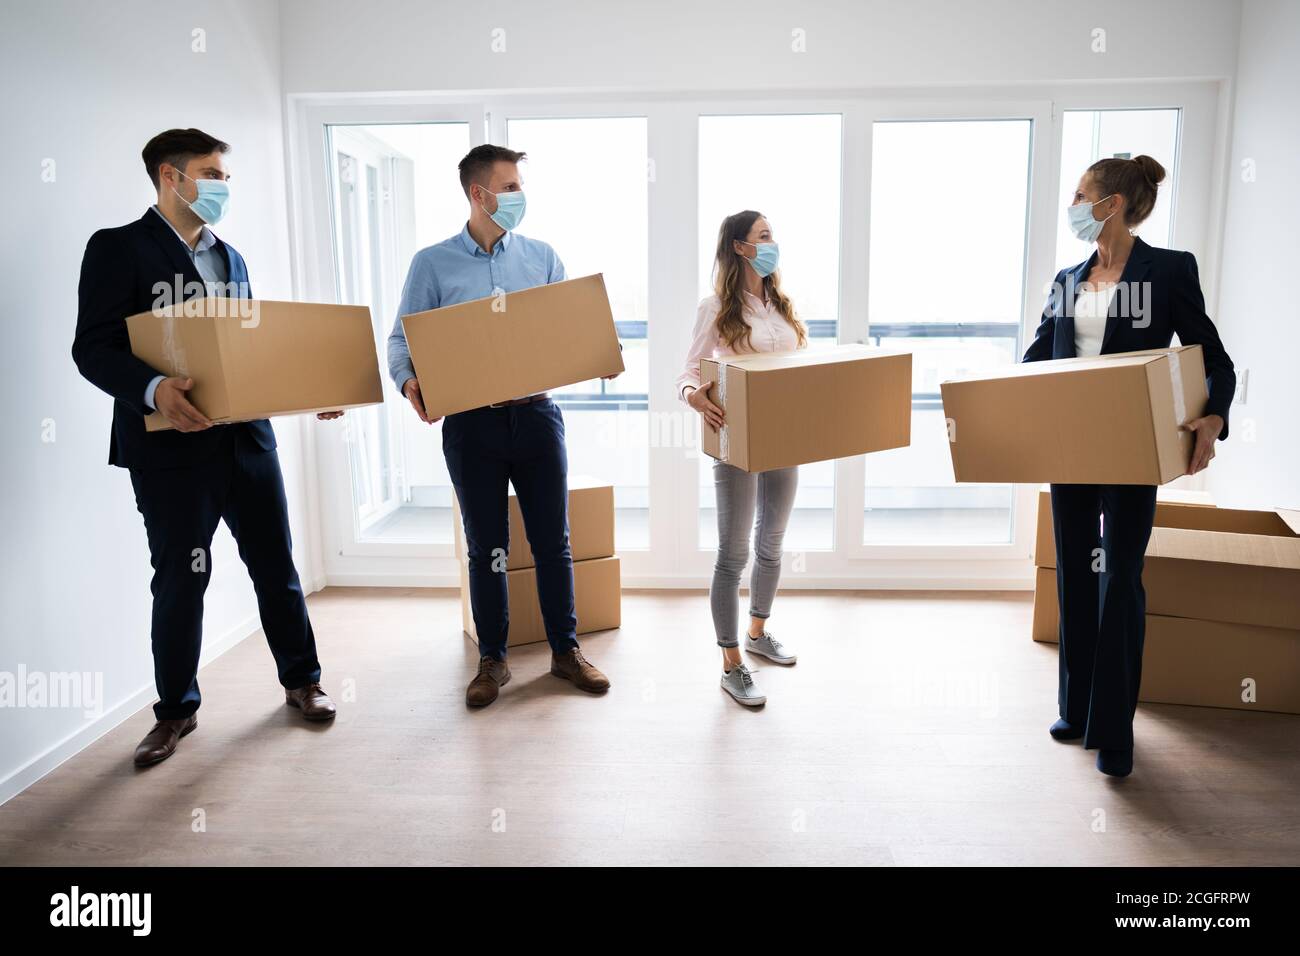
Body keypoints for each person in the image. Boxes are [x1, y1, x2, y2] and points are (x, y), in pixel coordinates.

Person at [72, 128, 340, 767]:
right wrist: (155, 389)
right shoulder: (117, 249)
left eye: (225, 175)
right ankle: (175, 713)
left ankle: (303, 683)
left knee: (276, 568)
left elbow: (245, 355)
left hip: (247, 441)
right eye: (212, 173)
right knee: (180, 581)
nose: (222, 186)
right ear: (171, 177)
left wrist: (307, 389)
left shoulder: (233, 259)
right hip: (170, 452)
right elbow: (93, 347)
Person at [1024, 155, 1235, 777]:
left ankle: (1115, 727)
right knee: (1075, 572)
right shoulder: (1068, 278)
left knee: (1119, 578)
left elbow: (1212, 358)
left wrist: (1214, 417)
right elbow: (1039, 356)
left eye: (1080, 195)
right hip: (1071, 449)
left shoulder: (1168, 270)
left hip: (1133, 449)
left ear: (1110, 204)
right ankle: (1079, 705)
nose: (1073, 204)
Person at [387, 144, 614, 706]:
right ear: (478, 193)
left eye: (519, 186)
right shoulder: (432, 264)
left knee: (553, 543)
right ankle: (493, 661)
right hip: (471, 427)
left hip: (536, 417)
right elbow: (401, 342)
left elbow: (568, 332)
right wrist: (410, 382)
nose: (517, 196)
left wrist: (594, 351)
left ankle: (566, 651)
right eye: (509, 186)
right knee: (487, 545)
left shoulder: (541, 257)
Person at [678, 211, 807, 707]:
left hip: (785, 438)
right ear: (739, 247)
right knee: (733, 554)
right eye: (764, 236)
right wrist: (693, 394)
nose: (773, 243)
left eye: (773, 234)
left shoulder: (783, 307)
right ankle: (731, 663)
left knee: (771, 542)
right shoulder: (715, 307)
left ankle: (757, 633)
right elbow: (688, 369)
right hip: (736, 440)